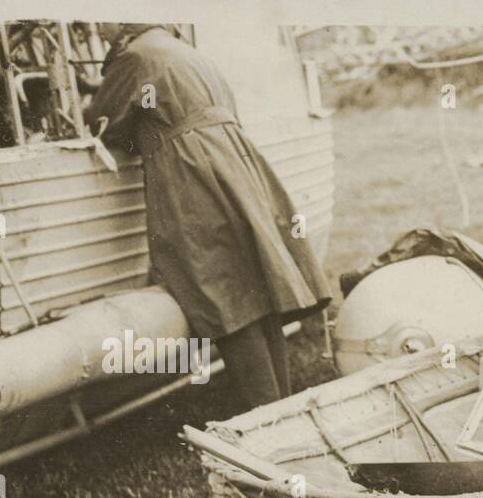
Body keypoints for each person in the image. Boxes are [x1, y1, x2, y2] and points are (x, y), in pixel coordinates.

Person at [85, 24, 331, 409]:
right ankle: (283, 407)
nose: (99, 31)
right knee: (252, 288)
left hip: (191, 173)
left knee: (220, 292)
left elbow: (104, 125)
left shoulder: (135, 57)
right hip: (234, 163)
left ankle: (266, 416)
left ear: (119, 26)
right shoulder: (184, 51)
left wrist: (99, 102)